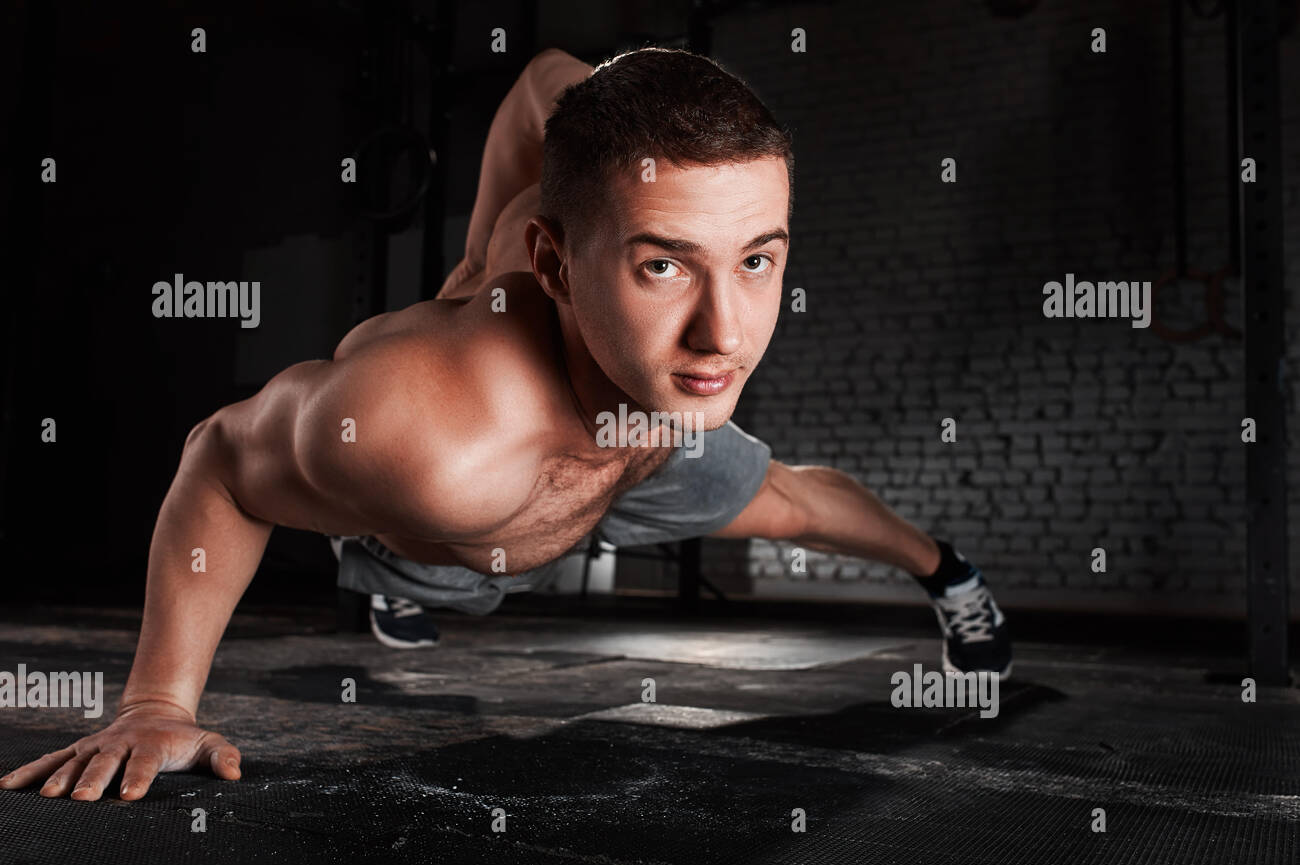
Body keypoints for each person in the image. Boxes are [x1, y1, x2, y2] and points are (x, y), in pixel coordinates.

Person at [0, 46, 1009, 803]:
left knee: (788, 500)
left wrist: (565, 154)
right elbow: (217, 457)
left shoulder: (665, 338)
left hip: (636, 445)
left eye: (756, 258)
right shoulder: (427, 433)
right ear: (558, 262)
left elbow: (544, 83)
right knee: (446, 558)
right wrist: (158, 702)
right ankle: (406, 588)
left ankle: (947, 573)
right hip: (470, 518)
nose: (725, 333)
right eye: (662, 264)